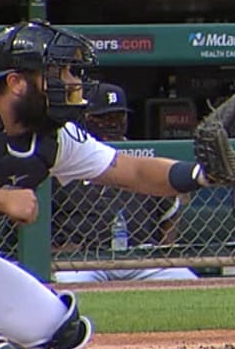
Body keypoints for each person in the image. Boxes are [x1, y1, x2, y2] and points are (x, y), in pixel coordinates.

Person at [0, 20, 235, 349]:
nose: (72, 82)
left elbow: (132, 171)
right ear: (16, 82)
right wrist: (3, 199)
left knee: (55, 331)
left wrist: (201, 174)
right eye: (58, 71)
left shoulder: (53, 137)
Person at [50, 83, 200, 283]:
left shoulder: (141, 159)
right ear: (85, 119)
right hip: (84, 260)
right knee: (64, 282)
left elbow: (169, 216)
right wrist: (58, 251)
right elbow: (41, 222)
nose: (112, 124)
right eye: (103, 118)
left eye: (118, 117)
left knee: (185, 280)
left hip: (141, 257)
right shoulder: (68, 159)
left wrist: (164, 251)